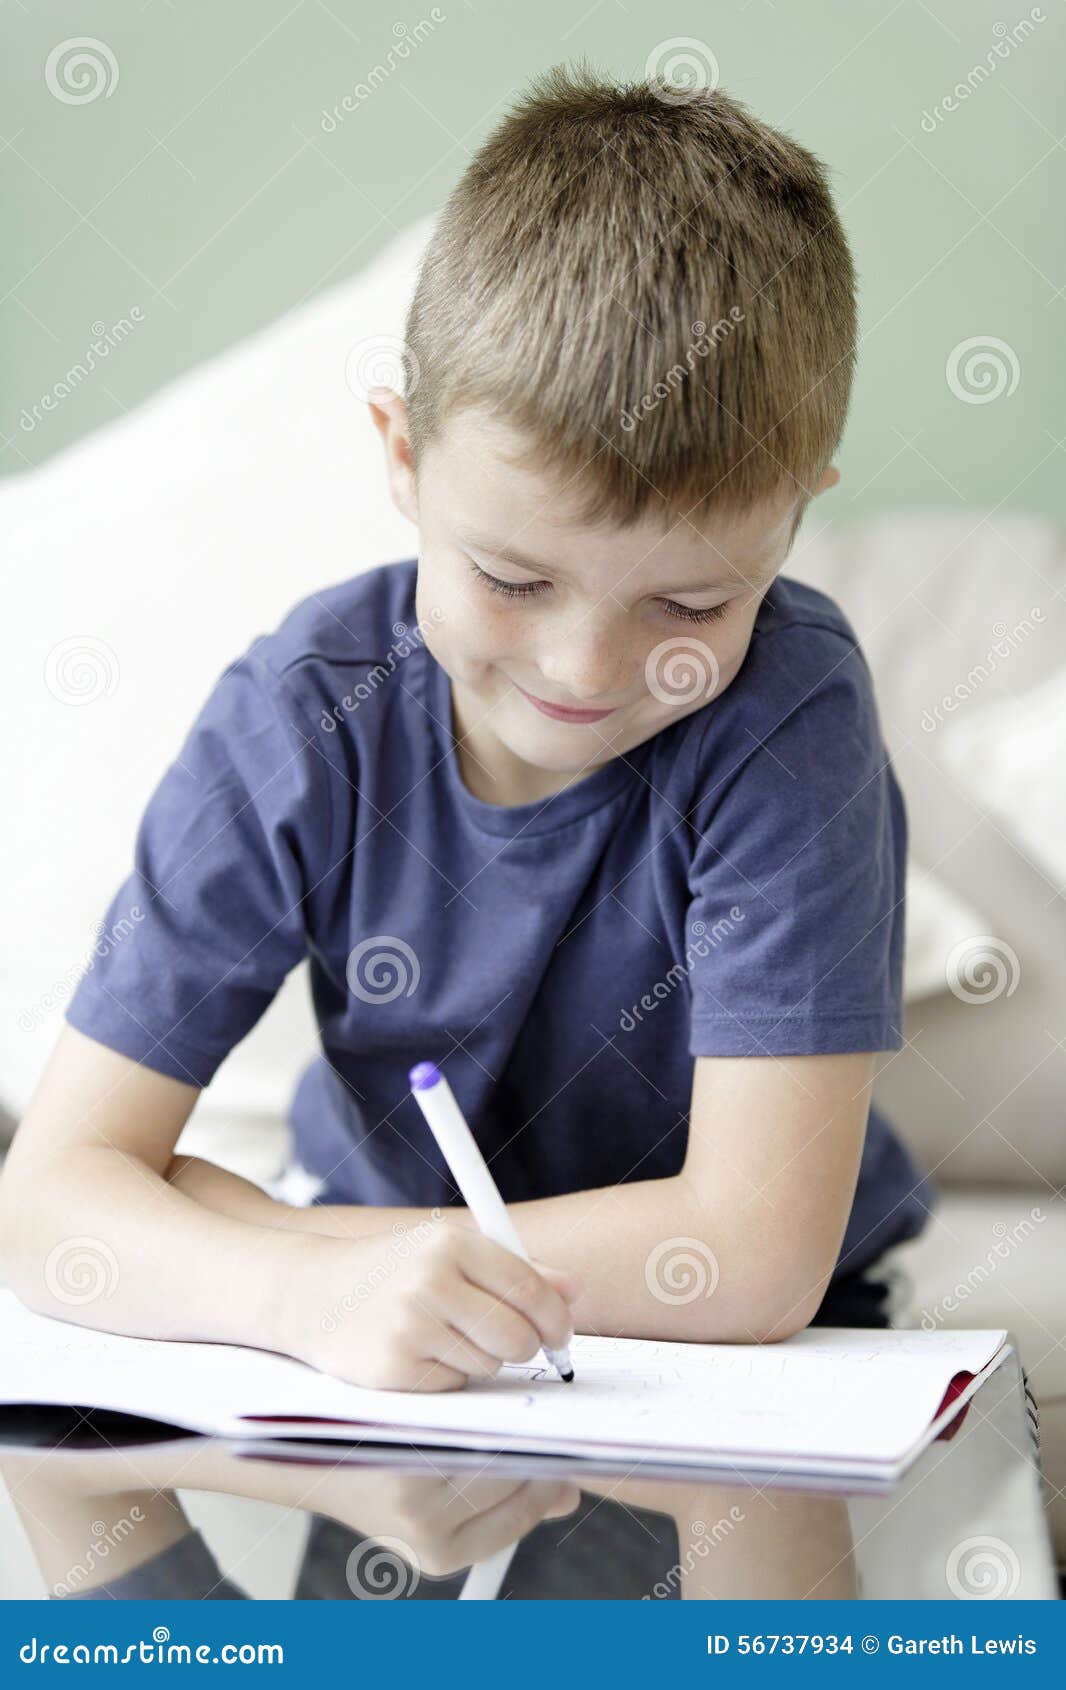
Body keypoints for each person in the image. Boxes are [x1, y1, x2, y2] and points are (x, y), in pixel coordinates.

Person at [0, 64, 933, 1391]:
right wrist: (303, 1287)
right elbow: (48, 1203)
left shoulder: (786, 713)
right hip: (364, 1325)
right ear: (400, 454)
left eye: (686, 600)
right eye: (511, 578)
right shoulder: (304, 711)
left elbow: (749, 1258)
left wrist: (317, 1250)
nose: (584, 667)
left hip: (756, 1357)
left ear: (790, 516)